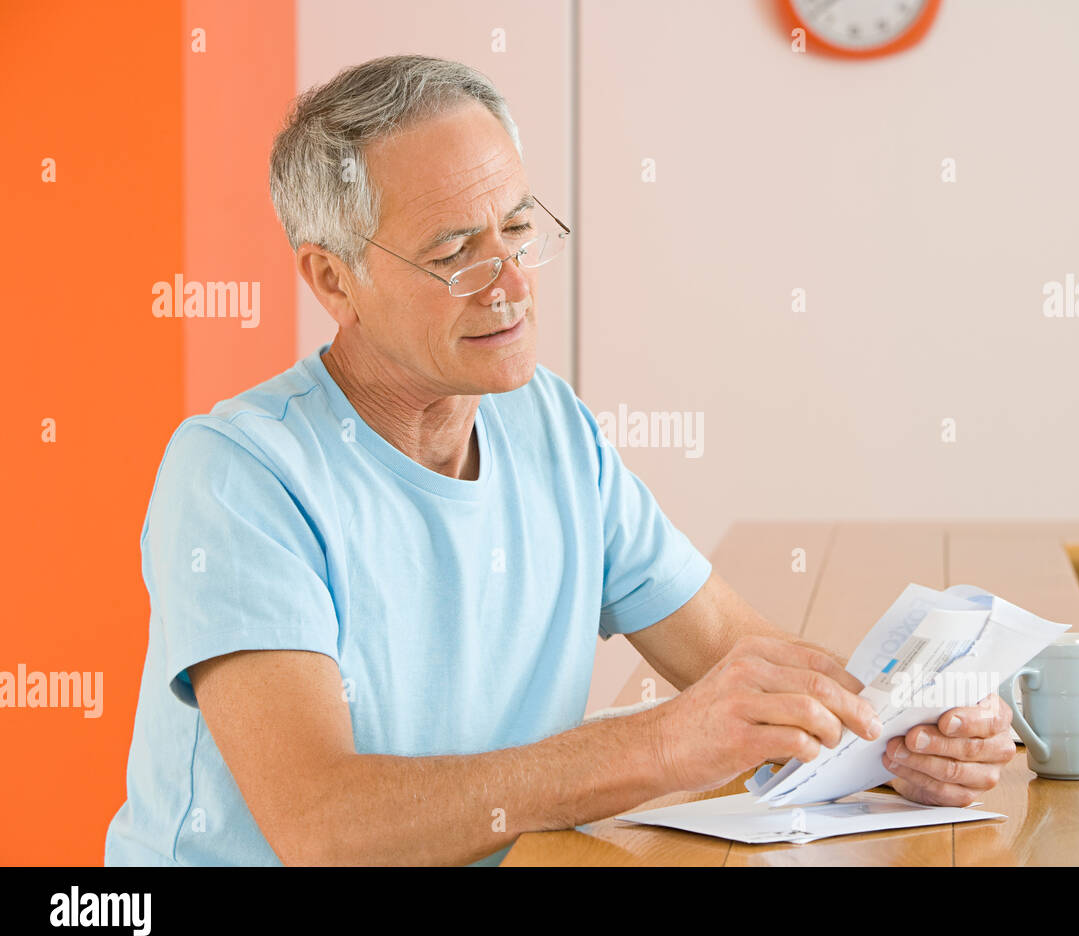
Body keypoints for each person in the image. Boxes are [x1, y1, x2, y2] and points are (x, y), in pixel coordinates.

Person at [105, 55, 1015, 866]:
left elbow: (740, 660)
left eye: (515, 227)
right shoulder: (237, 476)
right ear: (334, 281)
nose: (509, 281)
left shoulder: (548, 425)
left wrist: (897, 736)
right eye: (454, 251)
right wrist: (659, 747)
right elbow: (326, 828)